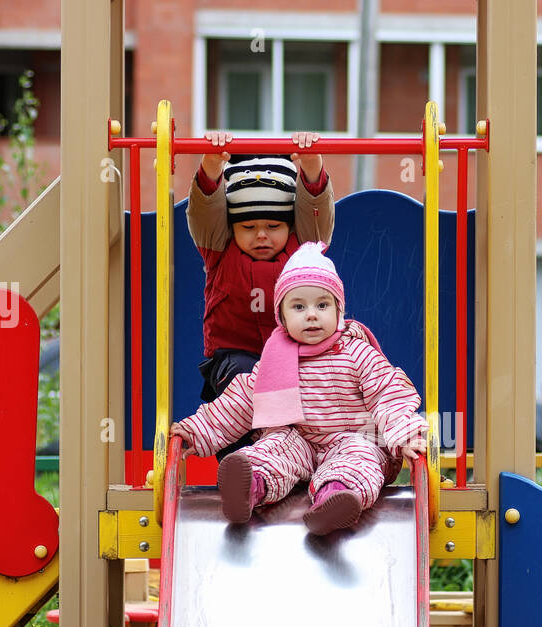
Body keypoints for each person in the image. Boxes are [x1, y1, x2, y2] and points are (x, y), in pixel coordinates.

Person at [170, 243, 427, 535]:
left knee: (359, 455)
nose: (312, 315)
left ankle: (335, 499)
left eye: (322, 305)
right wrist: (196, 432)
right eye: (298, 306)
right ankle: (249, 488)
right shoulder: (276, 358)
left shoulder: (356, 353)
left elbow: (388, 394)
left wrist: (405, 436)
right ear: (281, 315)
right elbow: (239, 402)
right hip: (301, 443)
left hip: (353, 438)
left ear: (339, 310)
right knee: (273, 447)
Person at [186, 131, 334, 410]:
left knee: (317, 379)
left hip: (298, 357)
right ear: (232, 228)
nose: (262, 236)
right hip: (233, 360)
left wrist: (312, 164)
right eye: (249, 228)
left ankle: (296, 444)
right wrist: (212, 165)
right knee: (244, 380)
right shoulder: (220, 247)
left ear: (290, 226)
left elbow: (315, 208)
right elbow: (205, 209)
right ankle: (244, 449)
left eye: (273, 227)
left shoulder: (304, 246)